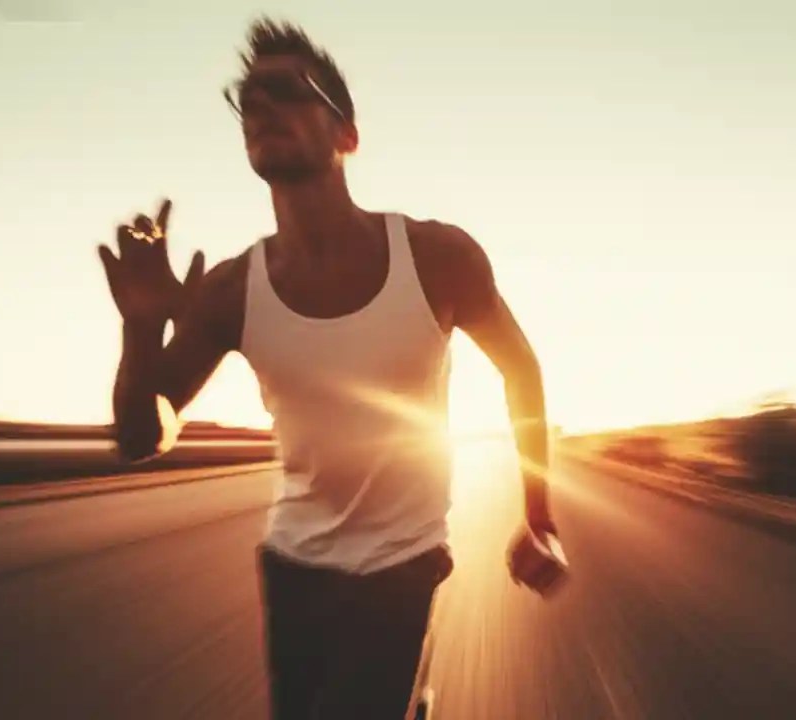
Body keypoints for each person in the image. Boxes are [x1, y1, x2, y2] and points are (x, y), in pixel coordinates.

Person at [97, 17, 562, 719]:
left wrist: (540, 517)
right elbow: (141, 436)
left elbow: (520, 370)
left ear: (346, 134)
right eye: (247, 99)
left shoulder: (438, 257)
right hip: (292, 568)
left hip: (404, 561)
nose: (260, 109)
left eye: (285, 91)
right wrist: (140, 331)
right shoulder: (229, 290)